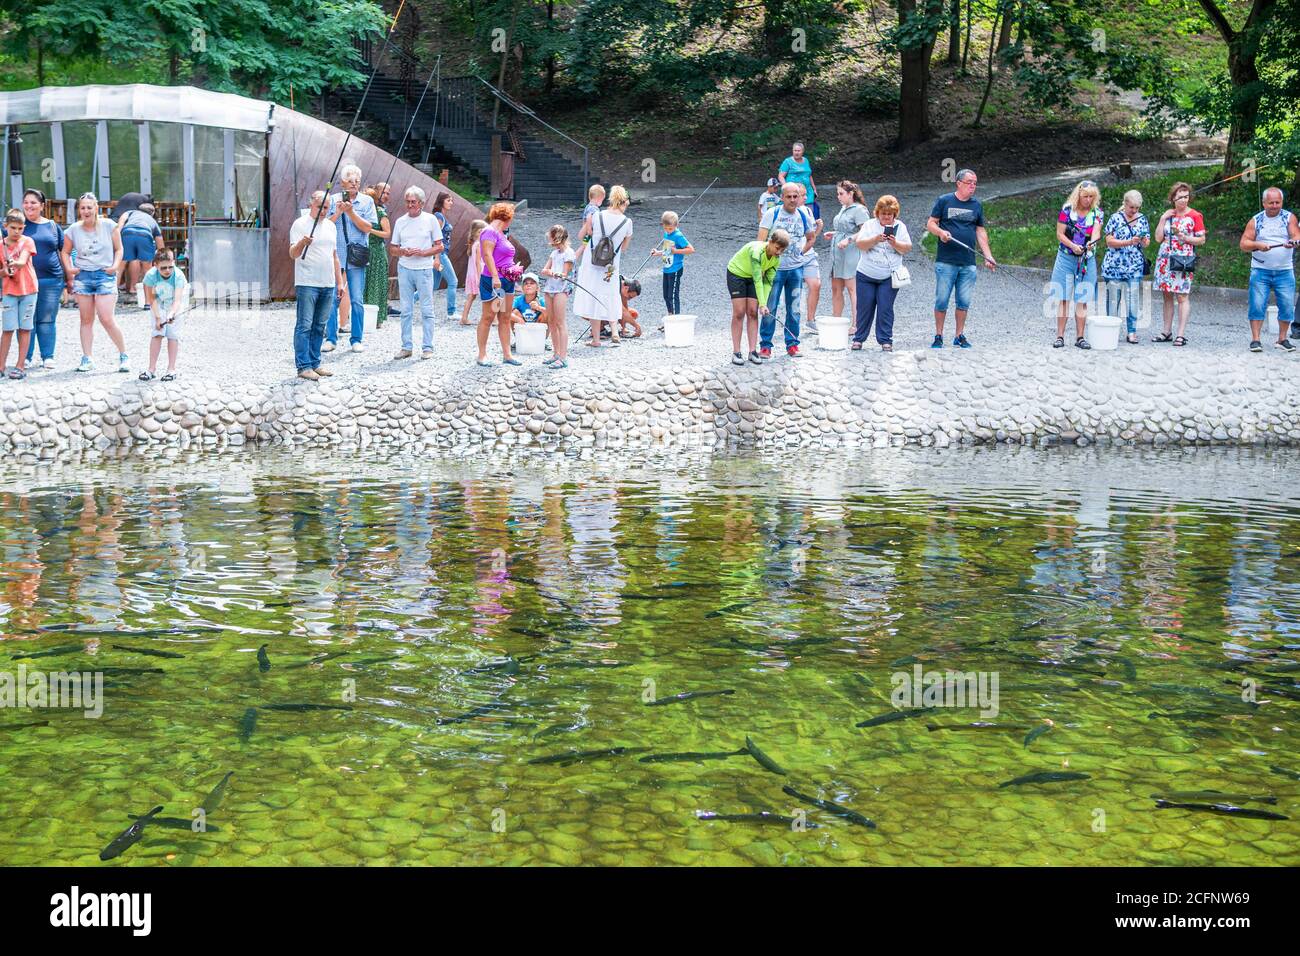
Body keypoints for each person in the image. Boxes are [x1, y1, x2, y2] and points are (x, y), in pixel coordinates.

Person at [927, 168, 995, 349]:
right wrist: (941, 232)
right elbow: (931, 223)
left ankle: (959, 335)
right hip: (946, 261)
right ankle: (939, 335)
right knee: (942, 300)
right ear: (959, 183)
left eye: (975, 183)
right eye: (969, 182)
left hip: (968, 262)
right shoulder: (944, 201)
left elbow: (980, 231)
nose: (973, 186)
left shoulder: (976, 205)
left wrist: (988, 255)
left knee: (963, 301)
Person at [61, 193, 129, 373]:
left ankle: (123, 355)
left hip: (104, 275)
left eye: (89, 207)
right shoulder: (73, 229)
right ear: (79, 210)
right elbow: (65, 252)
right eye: (82, 207)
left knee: (106, 318)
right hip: (83, 276)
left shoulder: (109, 225)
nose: (86, 211)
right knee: (86, 319)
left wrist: (115, 266)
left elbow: (119, 249)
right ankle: (87, 357)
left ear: (96, 208)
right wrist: (69, 268)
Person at [757, 182, 818, 358]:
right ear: (782, 197)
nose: (792, 199)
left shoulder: (804, 214)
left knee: (795, 308)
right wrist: (763, 266)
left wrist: (801, 252)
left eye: (795, 196)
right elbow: (760, 241)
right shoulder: (772, 213)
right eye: (788, 196)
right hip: (774, 270)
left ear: (800, 197)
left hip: (796, 269)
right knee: (770, 306)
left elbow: (811, 237)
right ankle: (766, 345)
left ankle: (792, 344)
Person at [289, 190, 344, 381]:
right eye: (320, 207)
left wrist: (340, 282)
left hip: (327, 283)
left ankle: (315, 362)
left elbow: (334, 256)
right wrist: (302, 243)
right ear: (312, 204)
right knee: (304, 325)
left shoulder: (330, 226)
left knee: (320, 325)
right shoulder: (300, 224)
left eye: (326, 208)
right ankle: (303, 366)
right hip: (307, 282)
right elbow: (293, 254)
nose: (323, 211)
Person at [1240, 186, 1299, 353]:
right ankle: (1256, 339)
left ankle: (1282, 339)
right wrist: (1258, 245)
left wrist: (1293, 241)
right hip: (1260, 270)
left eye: (1277, 202)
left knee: (1287, 306)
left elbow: (1296, 235)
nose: (1274, 205)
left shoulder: (1289, 218)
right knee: (1257, 304)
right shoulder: (1256, 220)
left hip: (1285, 270)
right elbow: (1244, 243)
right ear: (1264, 203)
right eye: (1271, 202)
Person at [388, 186, 444, 361]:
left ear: (421, 203)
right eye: (408, 201)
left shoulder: (430, 220)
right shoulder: (400, 221)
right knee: (406, 310)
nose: (410, 205)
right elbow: (392, 249)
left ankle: (427, 347)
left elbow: (440, 246)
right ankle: (406, 347)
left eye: (413, 202)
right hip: (404, 268)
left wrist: (423, 252)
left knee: (427, 310)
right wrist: (403, 251)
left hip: (424, 269)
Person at [325, 163, 376, 353]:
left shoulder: (367, 202)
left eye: (357, 181)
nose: (354, 184)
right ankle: (330, 338)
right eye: (350, 181)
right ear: (342, 182)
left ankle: (356, 339)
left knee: (356, 298)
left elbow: (367, 227)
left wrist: (351, 212)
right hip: (335, 254)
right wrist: (338, 212)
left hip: (357, 255)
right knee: (331, 298)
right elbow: (325, 226)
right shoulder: (332, 200)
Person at [574, 185, 632, 349]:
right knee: (611, 294)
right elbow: (625, 247)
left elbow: (583, 235)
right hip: (611, 265)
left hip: (592, 262)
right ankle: (615, 331)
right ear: (624, 202)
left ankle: (596, 339)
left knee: (594, 296)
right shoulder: (627, 222)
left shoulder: (597, 215)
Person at [852, 195, 912, 351]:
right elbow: (860, 244)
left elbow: (907, 248)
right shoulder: (869, 225)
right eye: (883, 213)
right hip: (866, 274)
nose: (886, 217)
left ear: (894, 215)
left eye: (890, 214)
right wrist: (875, 240)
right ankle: (859, 339)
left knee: (885, 307)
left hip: (889, 276)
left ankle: (885, 340)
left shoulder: (900, 227)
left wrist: (894, 242)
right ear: (877, 213)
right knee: (864, 307)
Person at [1050, 180, 1103, 350]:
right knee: (1063, 296)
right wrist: (1072, 245)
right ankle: (1060, 336)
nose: (1088, 199)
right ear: (1078, 195)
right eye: (1085, 196)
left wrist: (1091, 244)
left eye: (1091, 197)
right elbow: (1059, 234)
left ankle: (1080, 337)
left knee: (1083, 298)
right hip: (1066, 257)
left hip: (1087, 258)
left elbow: (1096, 233)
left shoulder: (1097, 213)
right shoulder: (1067, 210)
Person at [1152, 181, 1205, 347]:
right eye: (1180, 197)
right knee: (1167, 295)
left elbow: (1202, 239)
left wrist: (1187, 238)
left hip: (1183, 259)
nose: (1184, 200)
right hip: (1165, 258)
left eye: (1186, 197)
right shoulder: (1169, 215)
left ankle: (1180, 334)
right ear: (1173, 198)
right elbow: (1158, 238)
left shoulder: (1195, 216)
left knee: (1182, 296)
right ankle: (1166, 331)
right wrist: (1162, 219)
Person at [726, 232, 789, 365]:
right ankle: (736, 352)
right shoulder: (757, 252)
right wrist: (762, 304)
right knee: (739, 312)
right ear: (770, 242)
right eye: (777, 248)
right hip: (736, 273)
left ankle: (752, 351)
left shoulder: (776, 259)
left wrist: (763, 303)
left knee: (753, 312)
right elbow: (758, 278)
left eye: (782, 250)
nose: (779, 252)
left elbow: (767, 282)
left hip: (753, 277)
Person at [20, 188, 65, 369]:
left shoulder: (53, 226)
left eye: (33, 202)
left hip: (52, 280)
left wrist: (69, 280)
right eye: (26, 202)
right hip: (23, 281)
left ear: (42, 206)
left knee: (47, 318)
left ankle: (48, 356)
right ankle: (26, 356)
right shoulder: (16, 225)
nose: (29, 206)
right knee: (26, 319)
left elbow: (63, 252)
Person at [1102, 189, 1151, 345]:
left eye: (1137, 208)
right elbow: (1109, 241)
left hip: (1134, 266)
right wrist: (1129, 242)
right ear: (1125, 204)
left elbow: (1147, 242)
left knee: (1132, 301)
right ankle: (1111, 331)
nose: (1134, 211)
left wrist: (1143, 241)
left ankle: (1131, 332)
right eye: (1131, 207)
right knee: (1113, 301)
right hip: (1114, 266)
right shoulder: (1115, 219)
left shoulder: (1142, 219)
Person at [476, 202, 521, 366]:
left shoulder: (501, 233)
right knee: (488, 317)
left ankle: (507, 354)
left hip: (507, 281)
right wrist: (495, 277)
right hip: (494, 281)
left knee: (505, 316)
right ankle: (482, 354)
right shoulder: (489, 232)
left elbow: (503, 256)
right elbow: (487, 255)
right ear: (506, 217)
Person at [139, 248, 188, 381]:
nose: (167, 270)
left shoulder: (178, 276)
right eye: (163, 268)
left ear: (174, 263)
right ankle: (151, 369)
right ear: (156, 265)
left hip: (175, 304)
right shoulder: (150, 275)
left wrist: (171, 313)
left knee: (172, 335)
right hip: (159, 304)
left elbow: (177, 300)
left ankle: (171, 369)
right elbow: (152, 298)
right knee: (157, 333)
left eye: (170, 267)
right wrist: (158, 318)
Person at [1, 208, 37, 379]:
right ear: (5, 226)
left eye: (20, 228)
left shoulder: (28, 241)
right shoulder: (1, 245)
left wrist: (13, 262)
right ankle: (1, 367)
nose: (17, 232)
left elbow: (23, 261)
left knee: (25, 328)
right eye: (13, 228)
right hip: (9, 291)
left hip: (28, 290)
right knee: (7, 329)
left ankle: (20, 366)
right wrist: (4, 271)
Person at [826, 180, 870, 319]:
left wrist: (849, 239)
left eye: (841, 194)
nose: (838, 197)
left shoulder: (859, 210)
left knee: (853, 289)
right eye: (837, 194)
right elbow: (846, 228)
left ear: (850, 194)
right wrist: (834, 233)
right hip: (837, 254)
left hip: (851, 253)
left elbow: (866, 231)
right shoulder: (844, 207)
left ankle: (857, 324)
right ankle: (836, 321)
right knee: (836, 288)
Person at [540, 224, 575, 368]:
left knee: (560, 322)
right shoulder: (554, 254)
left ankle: (563, 357)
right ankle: (556, 354)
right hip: (550, 288)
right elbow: (544, 269)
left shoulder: (569, 253)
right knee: (551, 321)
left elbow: (565, 274)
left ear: (557, 237)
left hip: (561, 289)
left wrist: (556, 273)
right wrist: (549, 272)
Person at [116, 201, 164, 300]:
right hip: (145, 234)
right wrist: (163, 257)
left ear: (138, 209)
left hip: (127, 233)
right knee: (147, 268)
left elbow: (119, 225)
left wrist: (116, 240)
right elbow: (160, 245)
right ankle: (149, 298)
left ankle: (112, 294)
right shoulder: (152, 220)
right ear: (152, 213)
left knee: (120, 266)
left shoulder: (130, 212)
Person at [651, 210, 693, 317]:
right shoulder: (667, 234)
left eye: (670, 228)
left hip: (675, 269)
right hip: (667, 268)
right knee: (666, 295)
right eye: (665, 228)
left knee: (673, 296)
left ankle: (675, 320)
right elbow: (668, 250)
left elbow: (691, 249)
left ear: (676, 225)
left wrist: (677, 251)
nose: (668, 231)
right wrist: (658, 253)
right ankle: (670, 317)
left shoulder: (678, 235)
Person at [363, 182, 393, 321]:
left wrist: (370, 230)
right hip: (365, 251)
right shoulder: (366, 211)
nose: (386, 196)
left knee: (375, 284)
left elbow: (387, 234)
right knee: (365, 284)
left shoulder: (381, 212)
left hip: (376, 253)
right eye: (384, 192)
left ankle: (377, 318)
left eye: (388, 193)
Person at [429, 193, 459, 317]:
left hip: (440, 255)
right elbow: (435, 238)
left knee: (433, 285)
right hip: (440, 255)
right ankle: (451, 312)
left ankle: (409, 303)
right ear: (442, 201)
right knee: (453, 282)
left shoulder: (441, 216)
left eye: (451, 200)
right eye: (448, 200)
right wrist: (436, 258)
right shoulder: (438, 216)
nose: (451, 202)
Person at [779, 141, 819, 221]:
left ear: (802, 151)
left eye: (798, 151)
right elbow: (781, 176)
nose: (796, 153)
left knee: (809, 214)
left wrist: (814, 188)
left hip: (808, 191)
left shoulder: (806, 160)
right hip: (794, 192)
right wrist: (787, 188)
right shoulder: (788, 162)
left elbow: (809, 175)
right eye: (795, 150)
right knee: (794, 214)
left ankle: (810, 230)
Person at [460, 219, 487, 327]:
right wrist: (480, 276)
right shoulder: (479, 244)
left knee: (471, 296)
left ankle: (464, 317)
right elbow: (478, 262)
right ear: (475, 232)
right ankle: (491, 319)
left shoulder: (473, 244)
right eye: (480, 232)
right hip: (478, 274)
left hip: (471, 274)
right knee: (487, 296)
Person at [575, 183, 606, 268]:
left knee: (585, 247)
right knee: (584, 247)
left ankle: (575, 260)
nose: (602, 202)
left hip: (586, 232)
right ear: (599, 198)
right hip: (589, 233)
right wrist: (589, 230)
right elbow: (589, 218)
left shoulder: (588, 206)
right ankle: (572, 260)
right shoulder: (594, 208)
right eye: (602, 200)